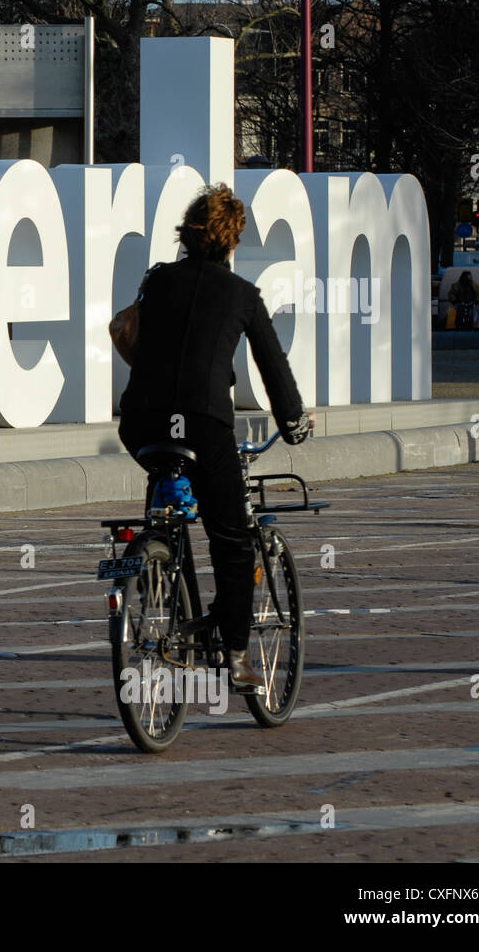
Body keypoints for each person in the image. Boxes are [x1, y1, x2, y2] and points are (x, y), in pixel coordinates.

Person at [118, 183, 312, 689]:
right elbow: (273, 367)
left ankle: (159, 546)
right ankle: (236, 652)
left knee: (168, 477)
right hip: (204, 422)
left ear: (187, 233)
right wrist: (293, 422)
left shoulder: (156, 281)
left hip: (140, 419)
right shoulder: (242, 295)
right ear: (232, 242)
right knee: (231, 538)